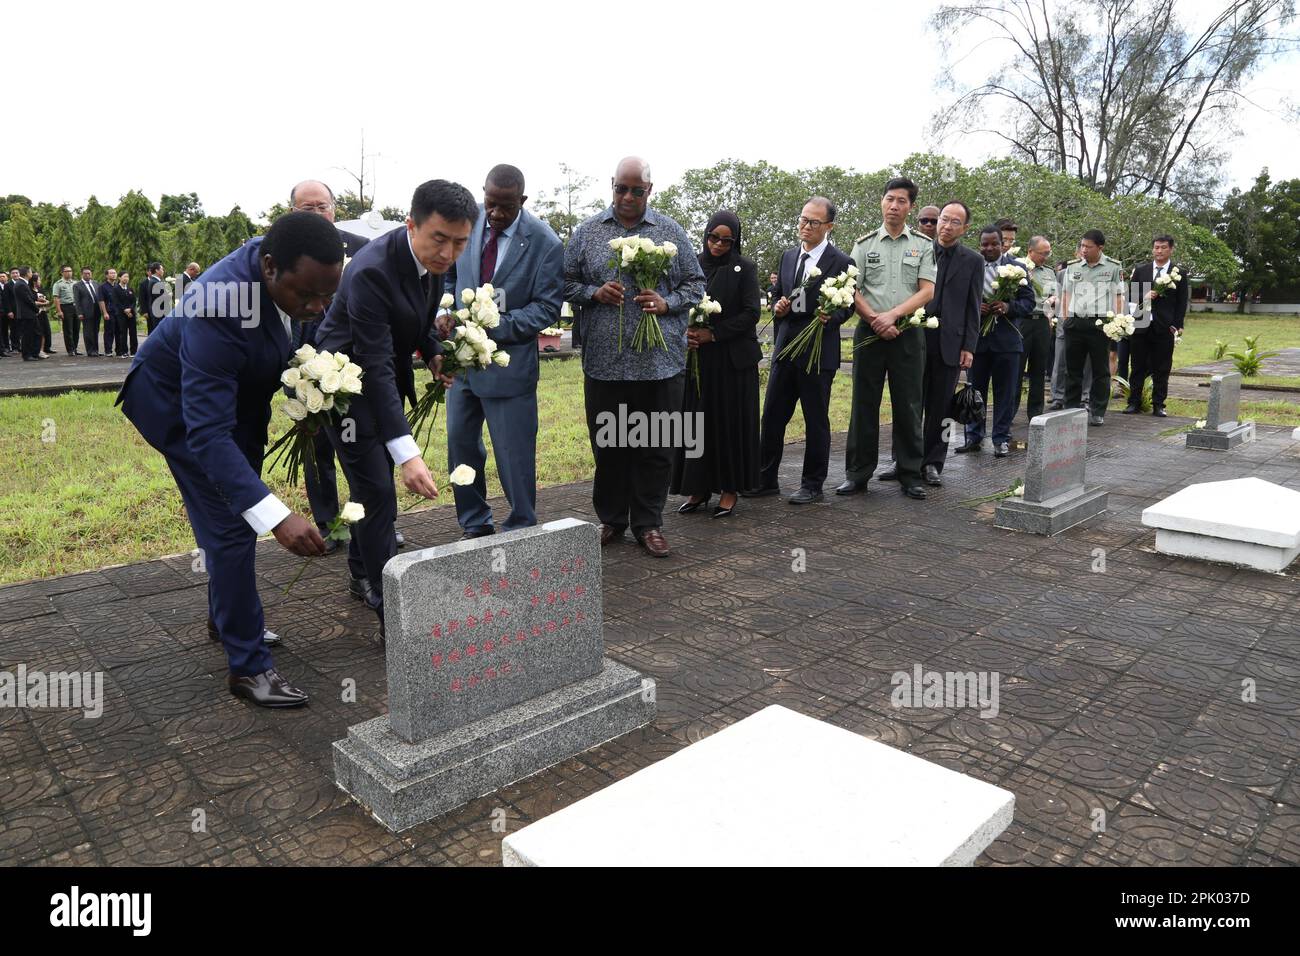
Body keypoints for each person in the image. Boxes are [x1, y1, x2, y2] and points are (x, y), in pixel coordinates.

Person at [118, 212, 343, 707]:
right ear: (268, 268)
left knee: (238, 512)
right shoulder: (219, 305)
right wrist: (277, 516)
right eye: (306, 297)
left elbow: (279, 347)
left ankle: (226, 620)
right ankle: (249, 668)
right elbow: (206, 435)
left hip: (236, 402)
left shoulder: (297, 267)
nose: (316, 308)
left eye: (326, 295)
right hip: (176, 407)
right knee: (231, 524)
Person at [315, 179, 476, 633]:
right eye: (439, 239)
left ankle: (361, 570)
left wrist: (434, 351)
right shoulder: (371, 270)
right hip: (344, 388)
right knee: (379, 493)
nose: (447, 253)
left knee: (368, 491)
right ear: (412, 225)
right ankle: (394, 614)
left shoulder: (433, 261)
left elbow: (416, 322)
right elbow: (376, 363)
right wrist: (407, 454)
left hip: (377, 379)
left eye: (459, 242)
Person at [564, 157, 705, 556]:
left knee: (656, 447)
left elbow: (696, 284)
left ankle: (649, 523)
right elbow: (562, 282)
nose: (627, 197)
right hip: (605, 364)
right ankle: (612, 520)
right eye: (620, 189)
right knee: (609, 446)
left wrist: (667, 301)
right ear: (612, 186)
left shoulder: (669, 232)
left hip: (660, 366)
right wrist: (593, 292)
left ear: (649, 190)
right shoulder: (588, 232)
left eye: (636, 190)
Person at [444, 164, 564, 538]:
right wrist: (444, 312)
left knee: (514, 458)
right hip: (460, 366)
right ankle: (474, 524)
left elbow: (547, 307)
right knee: (461, 448)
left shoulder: (546, 243)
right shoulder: (468, 223)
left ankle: (521, 527)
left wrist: (497, 325)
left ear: (522, 201)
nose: (494, 214)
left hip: (508, 369)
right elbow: (449, 274)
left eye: (505, 207)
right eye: (490, 203)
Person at [748, 198, 853, 504]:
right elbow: (780, 292)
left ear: (829, 227)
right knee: (772, 416)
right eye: (803, 220)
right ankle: (765, 478)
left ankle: (812, 484)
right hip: (785, 347)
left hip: (818, 350)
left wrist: (829, 318)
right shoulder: (789, 255)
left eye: (813, 223)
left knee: (815, 419)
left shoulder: (842, 262)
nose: (805, 227)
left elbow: (845, 306)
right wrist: (778, 303)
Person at [837, 177, 936, 500]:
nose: (894, 206)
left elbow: (927, 290)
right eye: (889, 199)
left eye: (902, 201)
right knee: (864, 403)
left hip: (907, 332)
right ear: (882, 202)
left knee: (908, 403)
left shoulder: (922, 244)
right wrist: (875, 320)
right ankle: (858, 474)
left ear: (911, 206)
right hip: (870, 332)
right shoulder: (865, 245)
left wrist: (892, 317)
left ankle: (909, 473)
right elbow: (853, 288)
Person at [287, 179, 369, 551]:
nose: (319, 214)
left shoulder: (361, 250)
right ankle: (327, 524)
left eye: (324, 206)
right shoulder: (279, 253)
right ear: (292, 212)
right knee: (316, 451)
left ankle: (372, 522)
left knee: (363, 448)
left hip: (352, 371)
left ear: (335, 209)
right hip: (303, 368)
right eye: (308, 208)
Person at [671, 210, 761, 517]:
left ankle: (729, 488)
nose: (718, 245)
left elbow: (751, 313)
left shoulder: (744, 267)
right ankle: (698, 488)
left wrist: (715, 334)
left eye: (726, 240)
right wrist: (688, 331)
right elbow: (680, 302)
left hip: (733, 362)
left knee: (729, 424)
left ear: (735, 241)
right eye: (713, 237)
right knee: (697, 424)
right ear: (706, 234)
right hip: (700, 360)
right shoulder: (693, 263)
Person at [916, 201, 980, 485]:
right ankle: (901, 458)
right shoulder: (917, 250)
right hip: (915, 336)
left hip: (950, 343)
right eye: (944, 219)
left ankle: (933, 463)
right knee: (909, 403)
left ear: (965, 228)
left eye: (956, 222)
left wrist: (969, 346)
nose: (946, 225)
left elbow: (973, 306)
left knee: (942, 408)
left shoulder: (972, 261)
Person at [958, 226, 1033, 456]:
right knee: (974, 392)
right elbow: (958, 299)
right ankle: (973, 436)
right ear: (979, 244)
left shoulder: (1017, 268)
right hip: (977, 341)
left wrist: (1008, 307)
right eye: (985, 244)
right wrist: (973, 308)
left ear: (1003, 244)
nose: (989, 248)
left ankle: (1001, 437)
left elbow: (1028, 303)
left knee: (1006, 392)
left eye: (994, 244)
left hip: (1007, 342)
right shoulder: (970, 264)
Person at [1060, 230, 1124, 425]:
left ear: (1100, 248)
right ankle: (1070, 408)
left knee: (1101, 370)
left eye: (1088, 246)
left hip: (1100, 323)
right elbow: (1066, 294)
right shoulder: (1073, 267)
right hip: (1075, 322)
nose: (1083, 250)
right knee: (1072, 369)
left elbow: (1118, 296)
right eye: (1082, 246)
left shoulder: (1113, 267)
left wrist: (1117, 321)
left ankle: (1097, 411)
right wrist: (1065, 319)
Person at [1124, 234, 1188, 417]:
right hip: (1141, 323)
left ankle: (1159, 404)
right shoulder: (1140, 271)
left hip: (1164, 326)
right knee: (1137, 365)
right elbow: (1131, 297)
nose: (1159, 251)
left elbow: (1182, 302)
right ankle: (1133, 402)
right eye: (1156, 247)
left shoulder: (1178, 273)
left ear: (1171, 249)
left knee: (1162, 367)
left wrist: (1177, 324)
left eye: (1163, 247)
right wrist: (1144, 297)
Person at [1012, 236, 1057, 422]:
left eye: (1048, 253)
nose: (1045, 257)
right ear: (1030, 251)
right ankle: (1010, 411)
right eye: (1042, 253)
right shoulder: (1016, 267)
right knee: (1016, 368)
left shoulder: (1049, 272)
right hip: (1022, 321)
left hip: (1042, 323)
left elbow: (1055, 293)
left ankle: (1036, 413)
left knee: (1039, 369)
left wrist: (1054, 300)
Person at [11, 267, 43, 360]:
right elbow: (27, 300)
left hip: (29, 314)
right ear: (27, 273)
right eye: (30, 272)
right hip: (26, 314)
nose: (32, 274)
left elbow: (30, 297)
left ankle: (34, 353)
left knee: (36, 333)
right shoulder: (21, 284)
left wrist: (37, 299)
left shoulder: (23, 283)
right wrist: (37, 310)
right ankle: (27, 355)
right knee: (27, 335)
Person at [75, 267, 105, 356]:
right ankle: (90, 350)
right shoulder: (77, 285)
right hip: (86, 311)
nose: (88, 275)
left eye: (89, 273)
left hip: (96, 310)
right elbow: (77, 300)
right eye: (85, 273)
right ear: (82, 274)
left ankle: (96, 350)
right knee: (88, 331)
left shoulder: (96, 283)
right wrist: (79, 312)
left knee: (96, 330)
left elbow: (100, 297)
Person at [52, 266, 81, 355]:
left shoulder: (76, 283)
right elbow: (56, 298)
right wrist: (59, 311)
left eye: (70, 271)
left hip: (76, 307)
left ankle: (75, 348)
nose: (69, 272)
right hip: (66, 307)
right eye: (67, 271)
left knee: (77, 328)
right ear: (62, 272)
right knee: (68, 330)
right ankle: (70, 350)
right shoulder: (58, 284)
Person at [138, 261, 168, 336]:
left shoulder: (157, 281)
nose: (163, 271)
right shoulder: (154, 282)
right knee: (156, 332)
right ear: (157, 270)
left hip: (158, 311)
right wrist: (169, 295)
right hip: (157, 311)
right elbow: (158, 297)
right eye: (162, 269)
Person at [113, 271, 136, 356]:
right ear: (119, 278)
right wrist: (124, 310)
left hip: (131, 314)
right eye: (124, 277)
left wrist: (130, 309)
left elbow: (134, 301)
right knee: (123, 333)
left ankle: (134, 351)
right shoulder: (115, 289)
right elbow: (116, 302)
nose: (126, 278)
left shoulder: (130, 288)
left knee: (133, 332)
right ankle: (124, 351)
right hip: (121, 314)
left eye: (127, 277)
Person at [0, 272, 14, 356]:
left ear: (7, 277)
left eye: (3, 276)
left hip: (9, 311)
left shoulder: (9, 285)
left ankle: (10, 347)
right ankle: (4, 348)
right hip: (2, 312)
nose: (2, 278)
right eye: (0, 276)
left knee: (13, 329)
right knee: (3, 330)